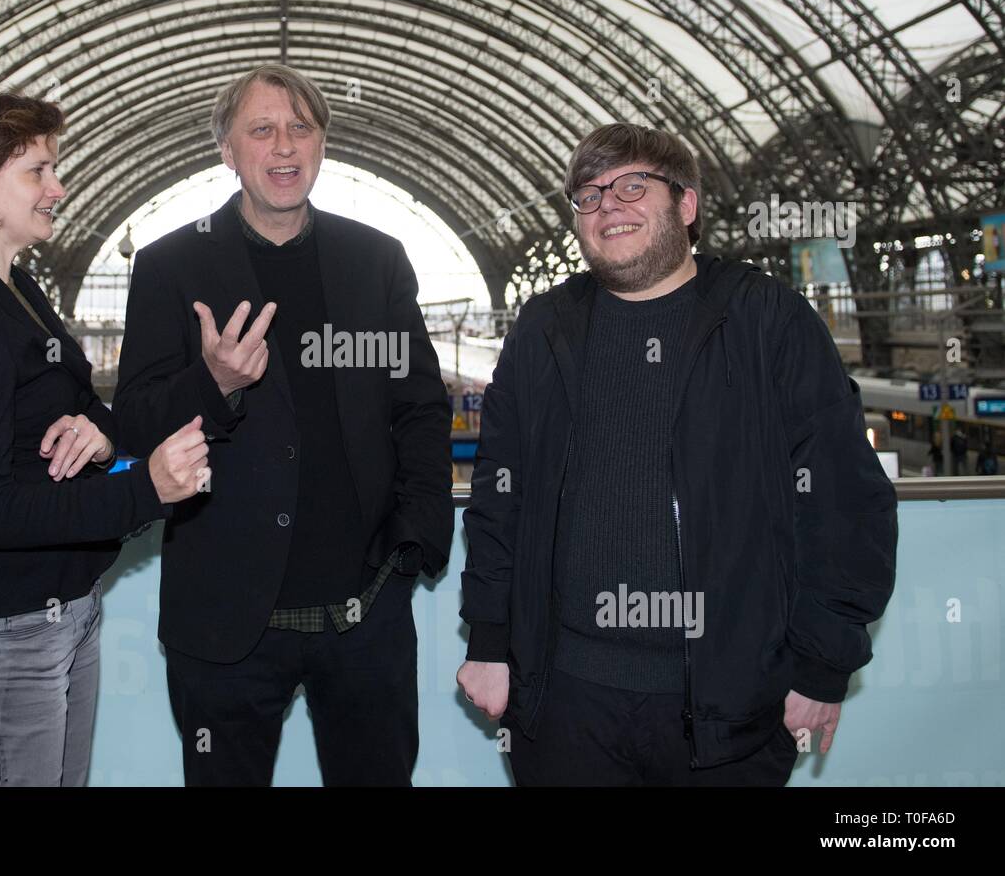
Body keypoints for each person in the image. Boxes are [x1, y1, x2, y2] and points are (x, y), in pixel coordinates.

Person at [457, 123, 898, 785]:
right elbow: (499, 496)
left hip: (731, 709)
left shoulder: (765, 322)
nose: (609, 206)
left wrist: (822, 664)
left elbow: (843, 501)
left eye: (633, 186)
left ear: (686, 205)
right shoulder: (545, 329)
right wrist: (489, 641)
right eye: (590, 195)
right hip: (566, 706)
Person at [112, 65, 453, 786]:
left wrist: (415, 537)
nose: (285, 146)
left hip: (366, 612)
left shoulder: (377, 260)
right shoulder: (170, 266)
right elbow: (136, 424)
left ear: (323, 144)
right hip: (226, 627)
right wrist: (216, 385)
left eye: (302, 127)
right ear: (227, 152)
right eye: (261, 129)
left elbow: (421, 406)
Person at [0, 89, 207, 786]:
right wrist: (144, 489)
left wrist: (98, 431)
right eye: (37, 171)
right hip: (2, 630)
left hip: (55, 611)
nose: (57, 189)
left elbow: (78, 409)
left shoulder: (16, 289)